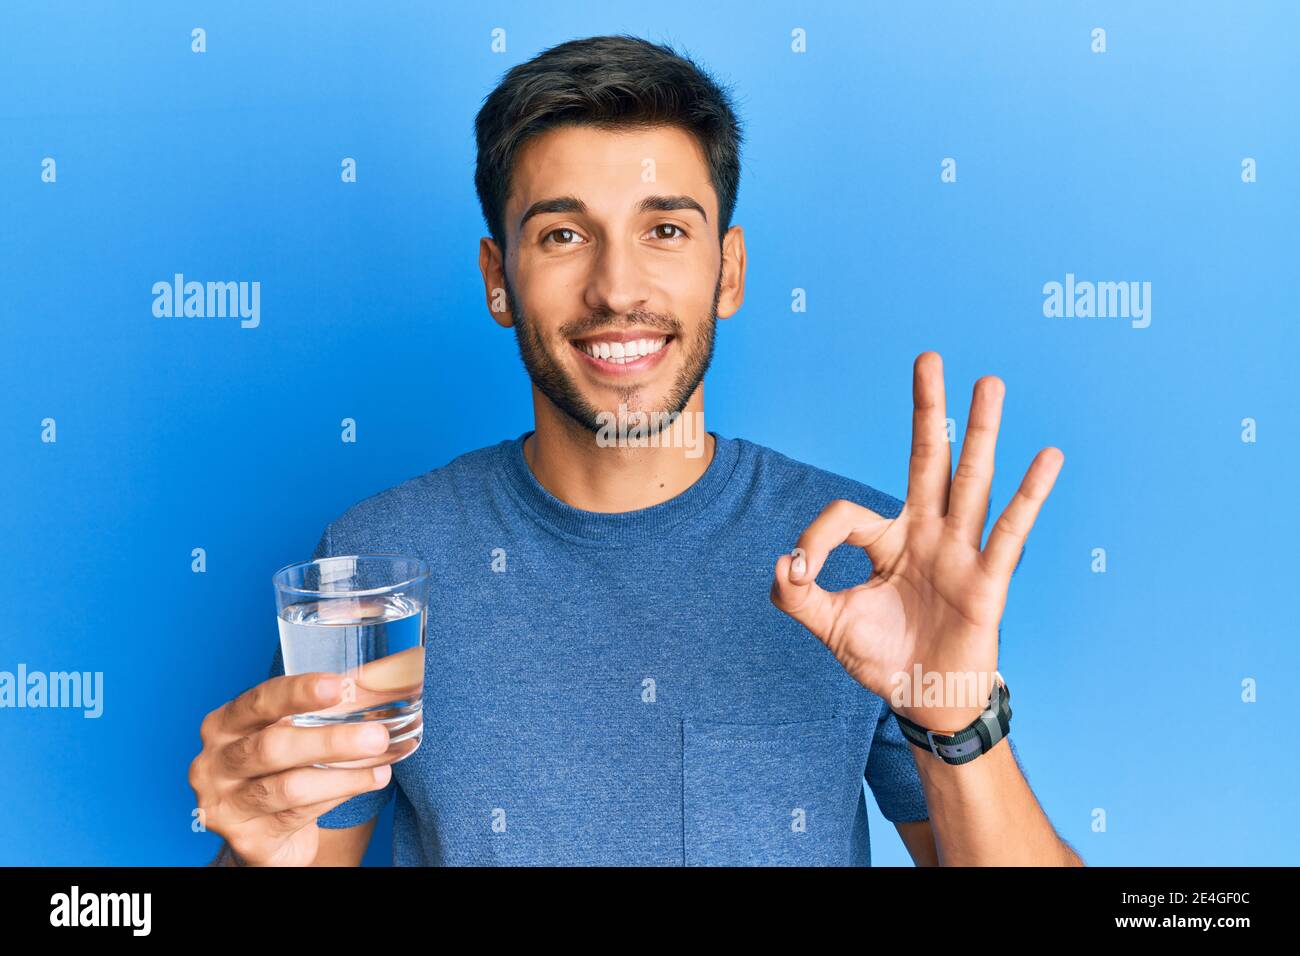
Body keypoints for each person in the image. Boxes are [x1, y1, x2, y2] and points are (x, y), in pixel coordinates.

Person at [188, 34, 1081, 867]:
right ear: (500, 280)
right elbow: (297, 848)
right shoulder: (378, 565)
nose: (617, 289)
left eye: (665, 229)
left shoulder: (859, 560)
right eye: (563, 234)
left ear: (727, 271)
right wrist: (252, 847)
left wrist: (958, 723)